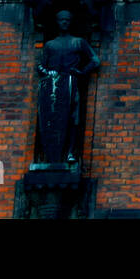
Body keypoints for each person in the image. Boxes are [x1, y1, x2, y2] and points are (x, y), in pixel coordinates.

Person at [36, 10, 100, 165]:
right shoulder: (50, 45)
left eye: (67, 20)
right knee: (50, 117)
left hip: (71, 84)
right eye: (61, 20)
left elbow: (95, 60)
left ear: (71, 22)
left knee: (73, 117)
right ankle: (47, 153)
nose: (64, 22)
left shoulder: (78, 42)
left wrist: (81, 72)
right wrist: (46, 72)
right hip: (53, 87)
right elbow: (40, 66)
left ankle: (71, 151)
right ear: (57, 22)